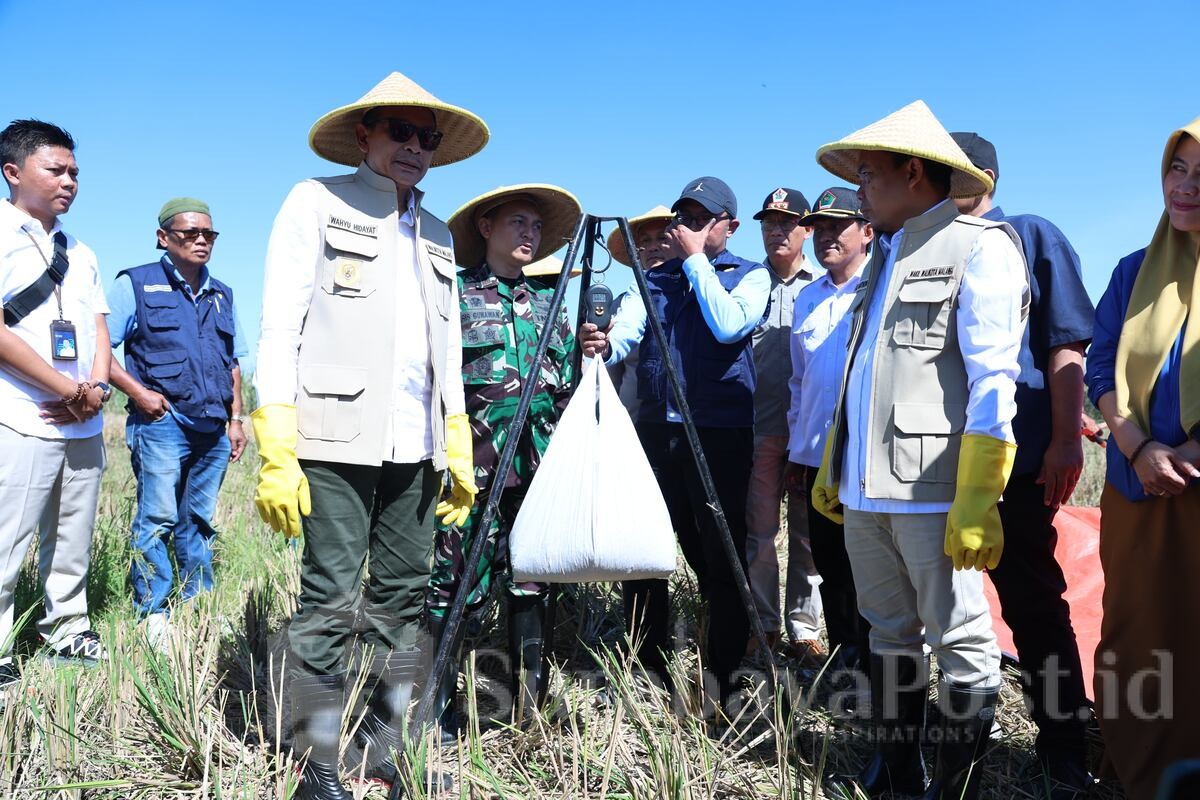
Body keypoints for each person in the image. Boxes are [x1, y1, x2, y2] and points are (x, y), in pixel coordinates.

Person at [252, 72, 488, 799]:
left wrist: (456, 443)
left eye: (428, 136)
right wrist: (276, 443)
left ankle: (380, 747)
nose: (416, 147)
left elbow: (445, 347)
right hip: (333, 437)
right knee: (328, 600)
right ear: (366, 135)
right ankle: (316, 766)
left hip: (416, 446)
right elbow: (279, 324)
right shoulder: (316, 201)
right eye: (401, 131)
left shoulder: (441, 233)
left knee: (400, 600)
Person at [811, 101, 1027, 800]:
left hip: (935, 489)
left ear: (913, 173)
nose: (860, 188)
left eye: (869, 175)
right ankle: (900, 774)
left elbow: (994, 378)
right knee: (887, 635)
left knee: (962, 642)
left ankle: (954, 789)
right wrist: (835, 462)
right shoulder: (886, 255)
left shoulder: (978, 246)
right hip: (867, 488)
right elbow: (865, 369)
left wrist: (978, 494)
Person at [580, 176, 770, 710]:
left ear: (728, 227)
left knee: (718, 552)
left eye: (700, 217)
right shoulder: (654, 280)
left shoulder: (750, 278)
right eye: (683, 215)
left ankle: (724, 675)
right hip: (657, 430)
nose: (686, 225)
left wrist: (694, 263)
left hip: (719, 434)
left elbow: (730, 326)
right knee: (645, 549)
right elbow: (628, 335)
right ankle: (647, 668)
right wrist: (603, 345)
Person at [952, 131, 1095, 798]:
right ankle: (960, 741)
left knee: (1033, 599)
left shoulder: (1028, 235)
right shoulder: (922, 246)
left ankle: (1066, 742)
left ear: (983, 177)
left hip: (1016, 452)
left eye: (946, 171)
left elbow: (1066, 346)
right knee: (950, 607)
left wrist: (1066, 439)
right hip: (936, 462)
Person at [426, 183, 580, 739]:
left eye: (537, 228)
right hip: (472, 474)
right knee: (452, 585)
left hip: (536, 474)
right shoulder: (456, 299)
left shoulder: (548, 304)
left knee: (531, 583)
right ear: (487, 228)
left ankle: (527, 709)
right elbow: (435, 385)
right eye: (519, 222)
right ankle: (438, 713)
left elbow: (566, 389)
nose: (530, 235)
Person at [1086, 116, 1200, 800]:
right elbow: (1102, 368)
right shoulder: (1133, 271)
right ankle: (1136, 770)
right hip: (1135, 487)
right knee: (1136, 631)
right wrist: (1141, 447)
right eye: (1176, 169)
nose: (1186, 187)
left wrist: (1190, 452)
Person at [106, 198, 249, 644]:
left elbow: (233, 363)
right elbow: (100, 351)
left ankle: (198, 602)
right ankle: (151, 610)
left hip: (213, 427)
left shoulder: (223, 293)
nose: (201, 240)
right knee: (158, 517)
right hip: (163, 422)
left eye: (208, 234)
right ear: (163, 238)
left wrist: (236, 418)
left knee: (199, 520)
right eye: (190, 233)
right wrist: (141, 395)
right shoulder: (135, 284)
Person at [0, 119, 110, 683]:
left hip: (83, 420)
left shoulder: (81, 250)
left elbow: (97, 327)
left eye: (74, 172)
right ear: (13, 172)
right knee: (7, 535)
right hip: (21, 413)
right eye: (56, 169)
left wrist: (94, 392)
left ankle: (68, 630)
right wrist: (66, 389)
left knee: (73, 535)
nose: (69, 180)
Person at [783, 187, 874, 679]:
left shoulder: (879, 289)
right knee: (831, 566)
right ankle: (844, 665)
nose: (825, 237)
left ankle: (879, 669)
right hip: (818, 460)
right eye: (818, 228)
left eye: (838, 226)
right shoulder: (808, 298)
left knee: (870, 569)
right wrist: (799, 453)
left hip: (865, 459)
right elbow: (800, 383)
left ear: (867, 231)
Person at [742, 187, 825, 666]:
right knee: (759, 533)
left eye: (787, 222)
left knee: (807, 536)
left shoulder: (821, 286)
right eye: (769, 222)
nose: (777, 230)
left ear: (806, 230)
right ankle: (764, 624)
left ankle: (804, 628)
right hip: (759, 428)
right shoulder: (748, 285)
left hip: (808, 433)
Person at [605, 206, 673, 418]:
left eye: (662, 238)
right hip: (631, 424)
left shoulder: (697, 298)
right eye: (645, 241)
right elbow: (611, 377)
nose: (653, 247)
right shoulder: (619, 306)